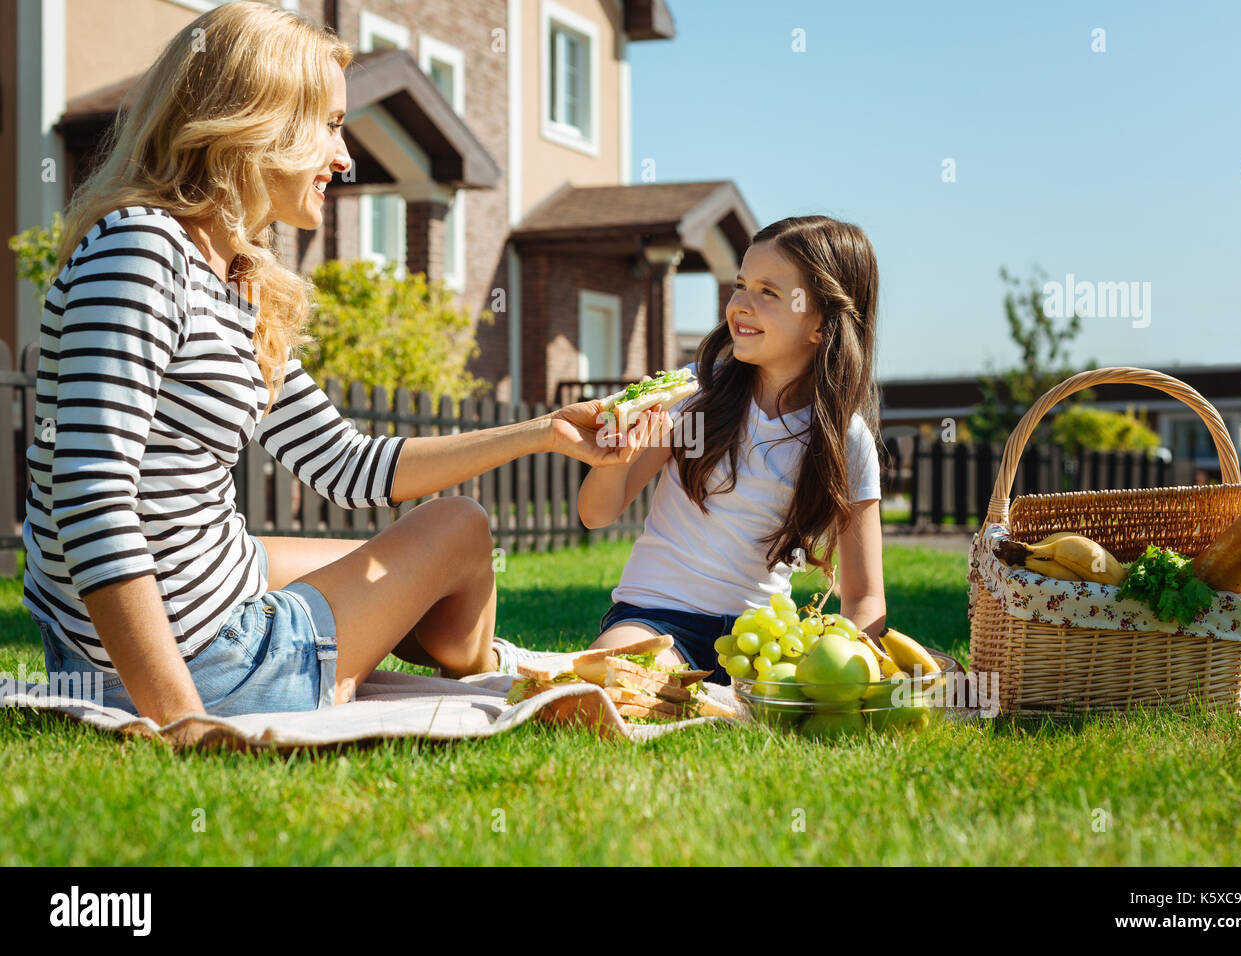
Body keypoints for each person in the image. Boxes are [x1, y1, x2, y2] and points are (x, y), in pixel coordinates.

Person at [22, 1, 654, 743]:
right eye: (328, 123)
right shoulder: (142, 253)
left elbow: (346, 466)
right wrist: (180, 718)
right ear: (255, 121)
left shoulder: (231, 279)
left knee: (332, 555)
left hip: (124, 642)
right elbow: (89, 495)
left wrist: (543, 432)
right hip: (214, 669)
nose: (344, 155)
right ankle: (488, 667)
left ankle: (477, 656)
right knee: (462, 528)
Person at [576, 216, 886, 684]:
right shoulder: (692, 396)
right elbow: (596, 514)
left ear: (819, 325)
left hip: (765, 643)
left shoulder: (846, 439)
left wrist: (849, 669)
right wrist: (613, 461)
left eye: (767, 292)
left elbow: (864, 597)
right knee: (611, 681)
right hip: (659, 620)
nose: (739, 304)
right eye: (740, 285)